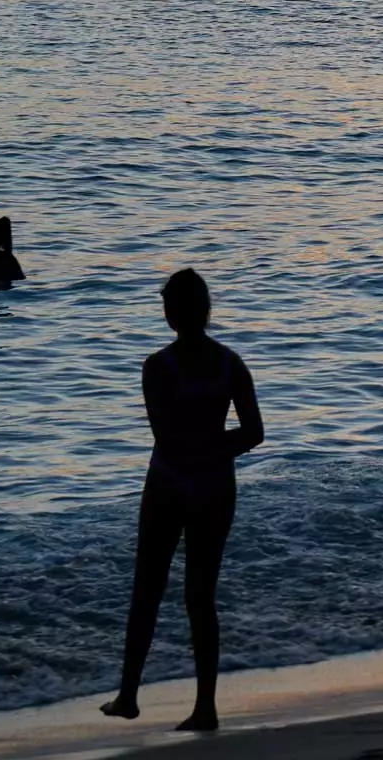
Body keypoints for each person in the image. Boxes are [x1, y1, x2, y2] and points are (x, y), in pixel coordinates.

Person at [101, 269, 264, 732]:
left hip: (170, 484)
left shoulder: (158, 366)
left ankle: (129, 695)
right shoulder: (232, 363)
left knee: (148, 590)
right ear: (206, 310)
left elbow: (165, 436)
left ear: (171, 312)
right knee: (200, 598)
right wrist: (215, 450)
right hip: (215, 485)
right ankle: (205, 707)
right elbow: (254, 433)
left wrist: (196, 453)